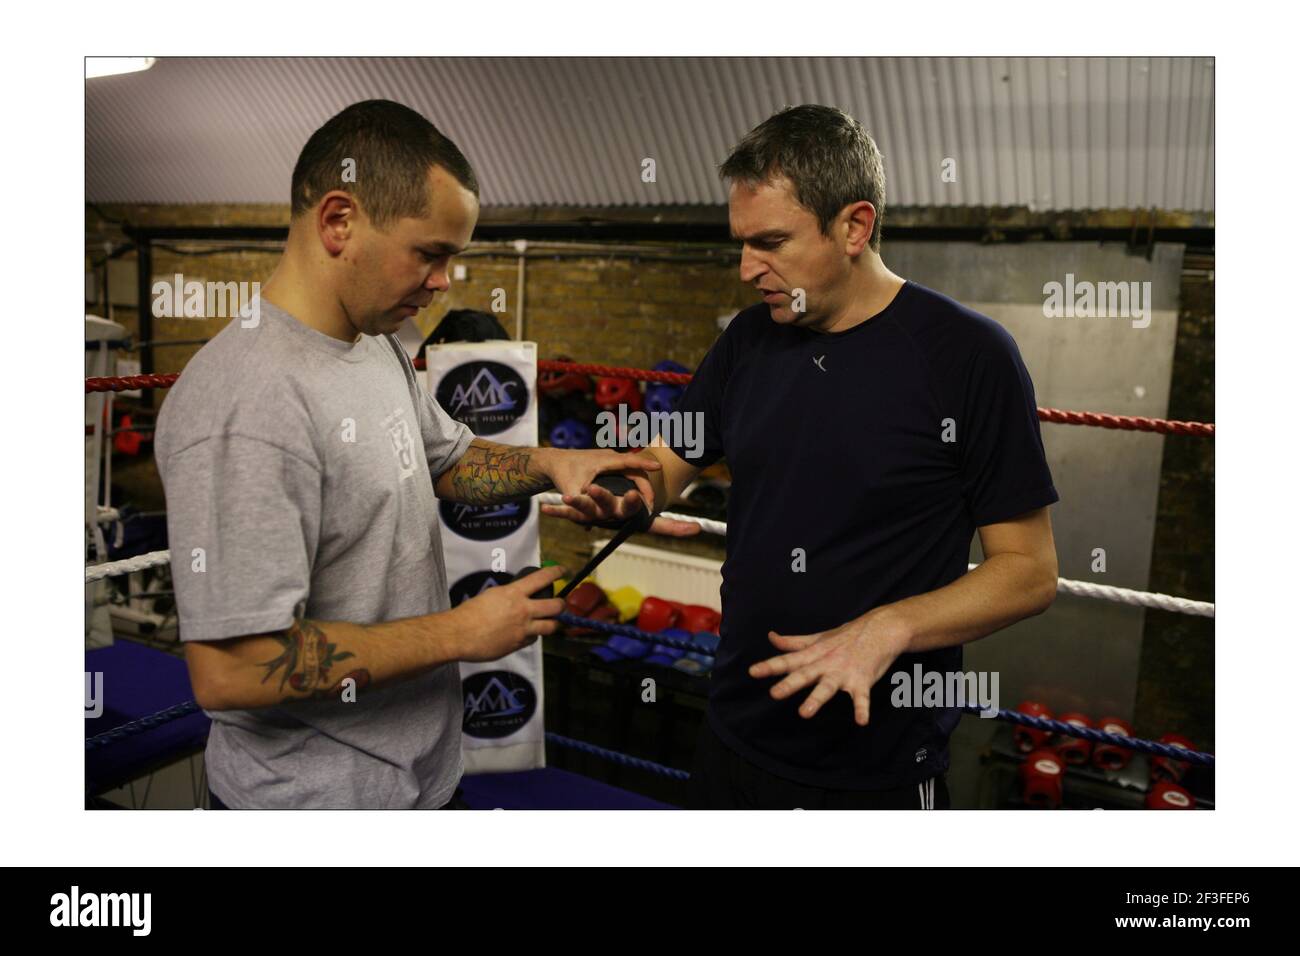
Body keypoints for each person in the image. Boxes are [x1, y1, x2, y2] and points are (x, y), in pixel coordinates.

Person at [155, 99, 693, 809]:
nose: (444, 282)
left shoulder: (373, 343)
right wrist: (461, 631)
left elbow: (445, 462)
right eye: (430, 253)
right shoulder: (245, 404)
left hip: (423, 780)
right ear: (339, 222)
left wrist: (554, 466)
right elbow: (232, 668)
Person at [555, 105, 1060, 809]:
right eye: (741, 242)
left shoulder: (969, 358)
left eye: (770, 242)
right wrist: (628, 495)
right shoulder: (749, 342)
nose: (744, 269)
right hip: (733, 731)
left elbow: (1029, 572)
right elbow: (670, 463)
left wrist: (892, 626)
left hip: (874, 760)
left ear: (854, 226)